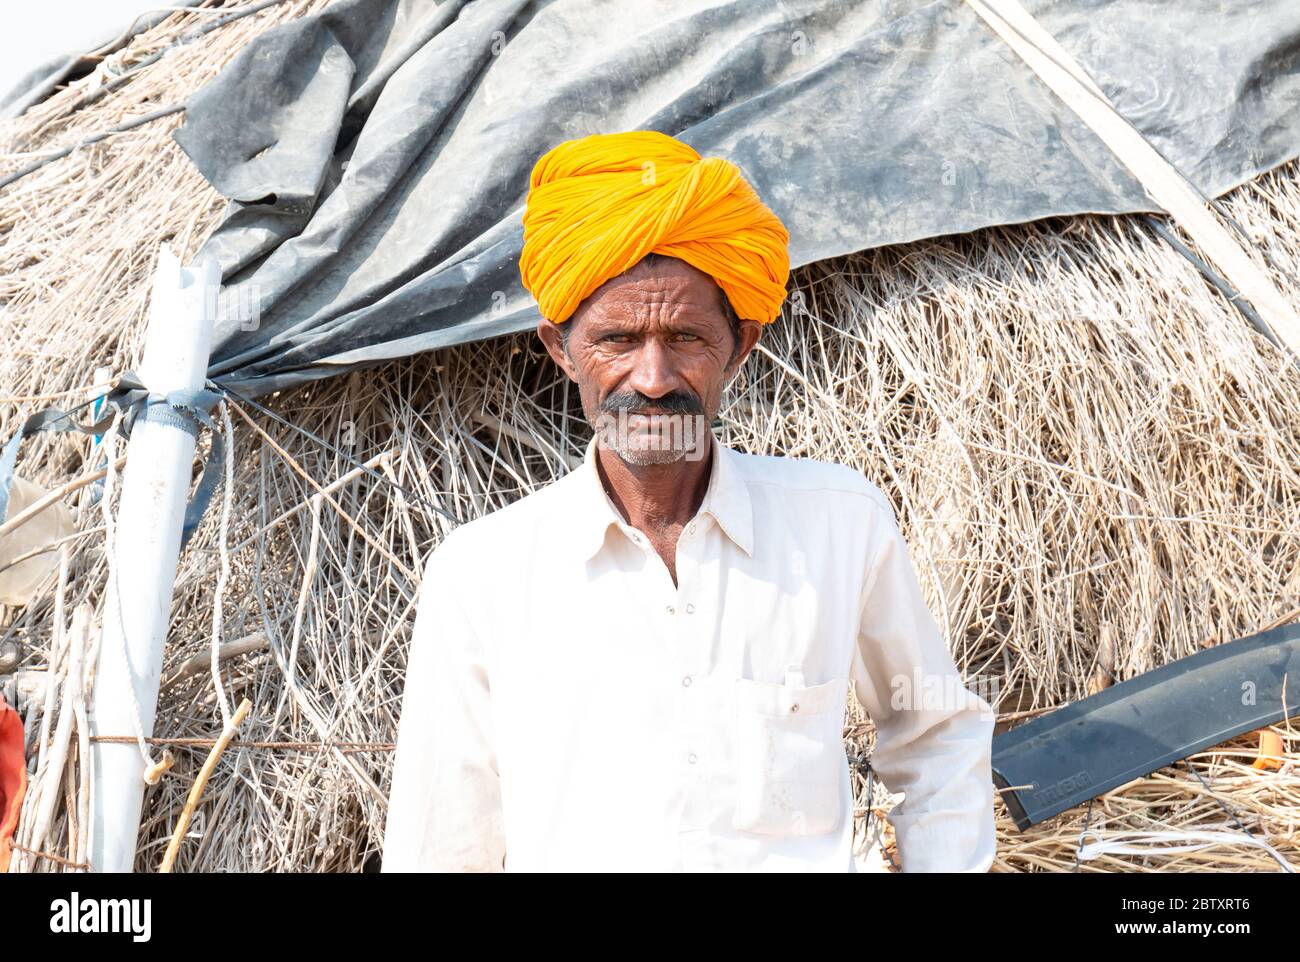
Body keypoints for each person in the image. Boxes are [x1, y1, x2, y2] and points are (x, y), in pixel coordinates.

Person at [382, 130, 996, 872]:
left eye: (685, 336)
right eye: (616, 339)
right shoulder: (484, 572)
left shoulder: (838, 523)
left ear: (741, 346)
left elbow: (937, 730)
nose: (652, 376)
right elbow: (444, 839)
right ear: (559, 347)